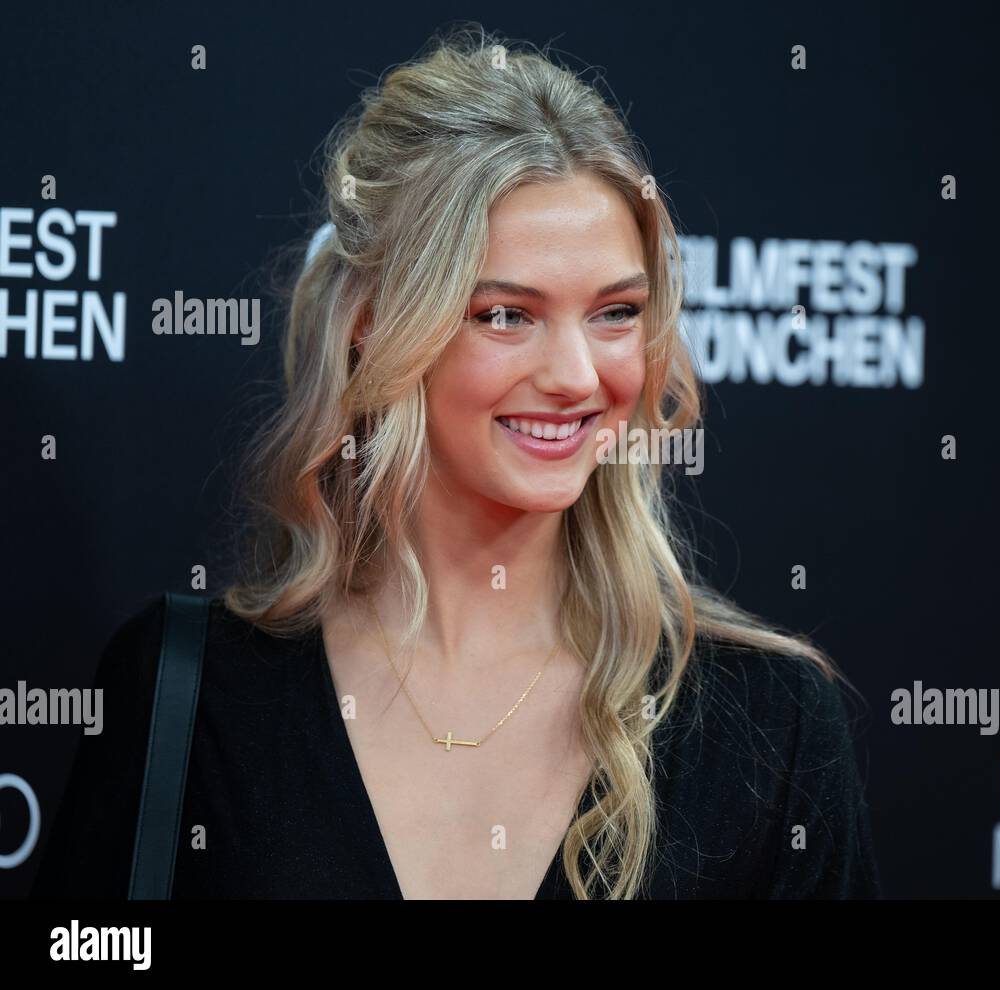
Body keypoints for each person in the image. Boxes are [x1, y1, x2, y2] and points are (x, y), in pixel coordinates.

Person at [31, 23, 882, 901]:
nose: (576, 376)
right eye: (505, 315)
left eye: (616, 312)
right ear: (376, 323)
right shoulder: (185, 692)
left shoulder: (767, 724)